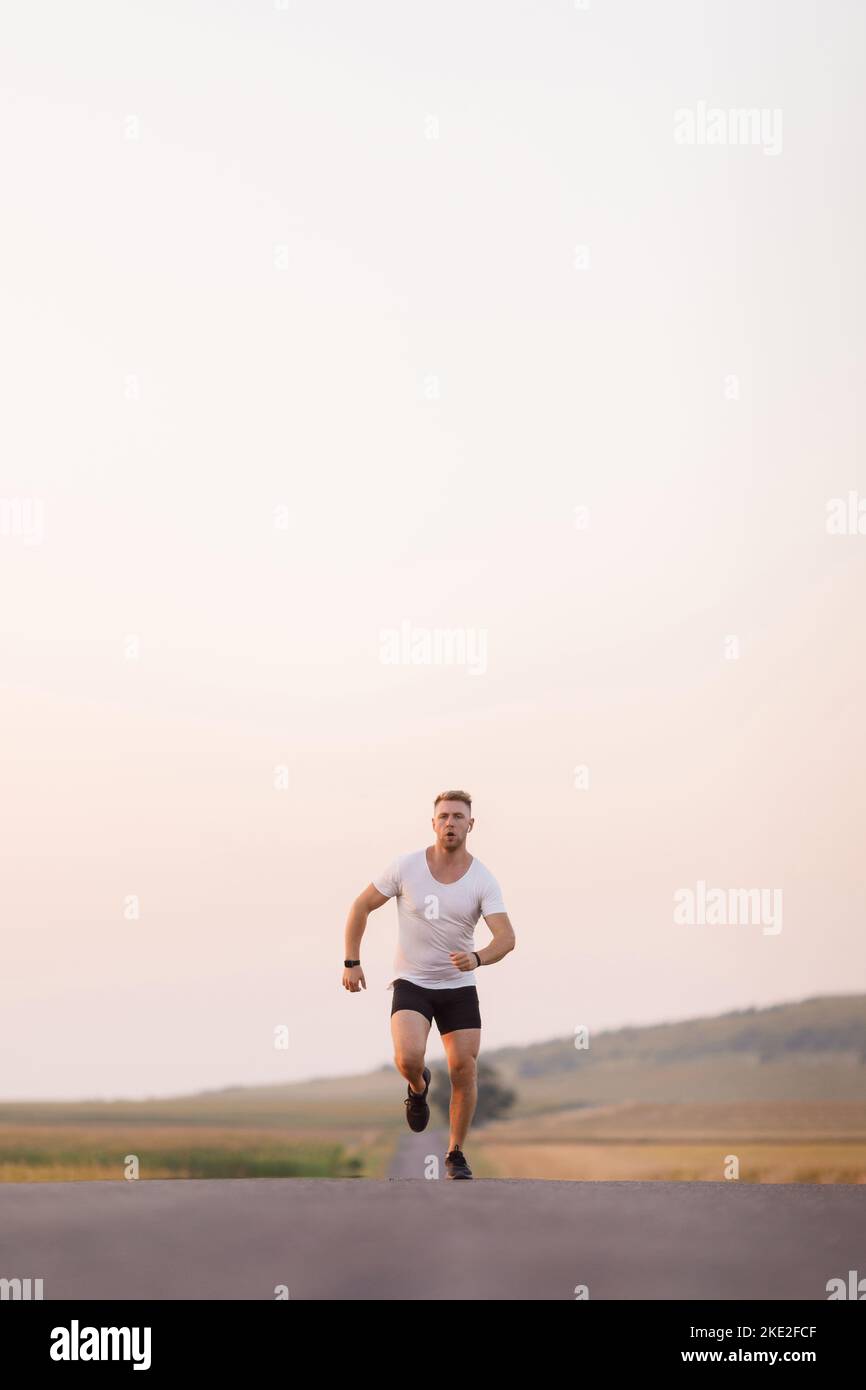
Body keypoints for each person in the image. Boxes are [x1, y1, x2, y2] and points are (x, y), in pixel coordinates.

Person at [342, 790, 515, 1179]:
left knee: (463, 1069)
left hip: (458, 987)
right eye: (444, 816)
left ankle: (455, 1153)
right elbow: (361, 906)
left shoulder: (483, 880)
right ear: (433, 823)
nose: (450, 823)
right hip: (413, 983)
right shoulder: (406, 867)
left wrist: (477, 958)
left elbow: (506, 938)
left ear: (471, 825)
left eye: (458, 817)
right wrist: (352, 961)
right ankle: (418, 1088)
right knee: (407, 1058)